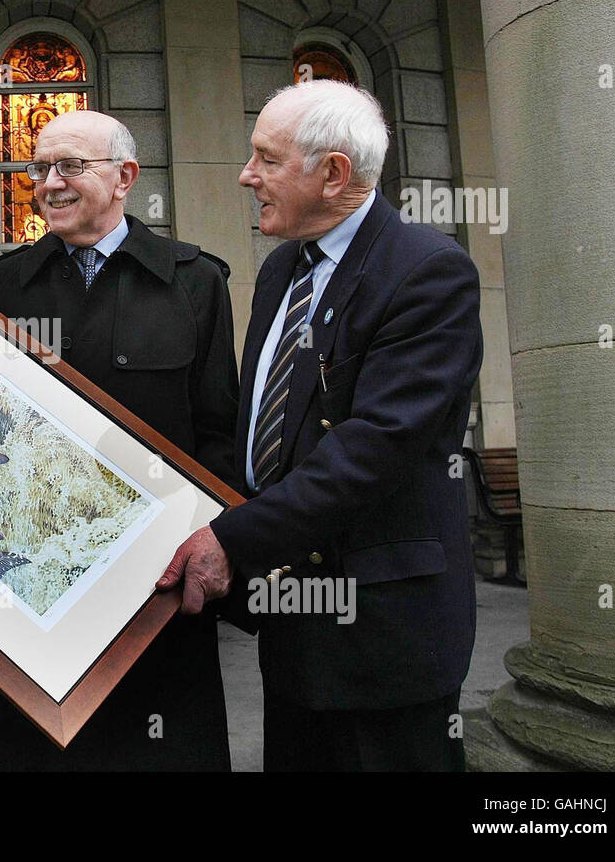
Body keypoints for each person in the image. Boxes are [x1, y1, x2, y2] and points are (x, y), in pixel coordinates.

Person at [157, 80, 483, 771]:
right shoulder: (281, 270)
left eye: (266, 160)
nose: (247, 176)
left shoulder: (427, 272)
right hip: (294, 631)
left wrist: (230, 539)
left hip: (381, 639)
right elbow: (265, 430)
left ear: (333, 173)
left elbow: (371, 451)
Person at [0, 109, 242, 770]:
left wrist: (218, 541)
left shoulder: (195, 282)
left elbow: (218, 435)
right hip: (27, 604)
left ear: (125, 178)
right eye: (39, 168)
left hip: (153, 599)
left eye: (69, 167)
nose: (48, 183)